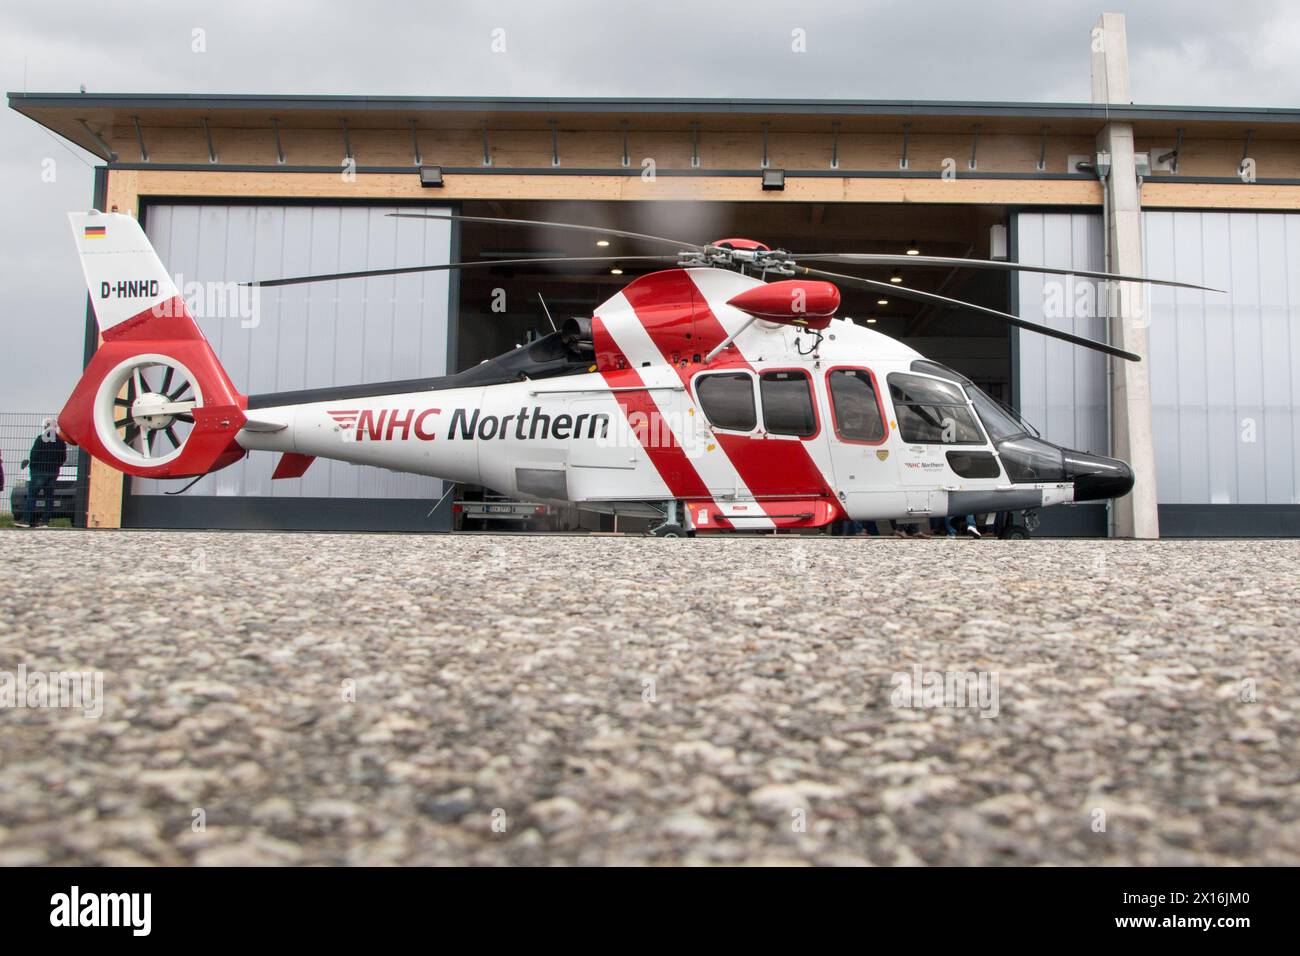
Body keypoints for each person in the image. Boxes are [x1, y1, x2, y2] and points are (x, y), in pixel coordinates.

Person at [21, 419, 67, 528]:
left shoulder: (40, 439)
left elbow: (34, 455)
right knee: (49, 497)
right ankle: (45, 521)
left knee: (32, 496)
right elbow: (63, 458)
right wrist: (56, 467)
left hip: (39, 471)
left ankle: (26, 520)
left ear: (45, 426)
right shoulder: (60, 441)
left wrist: (33, 467)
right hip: (53, 472)